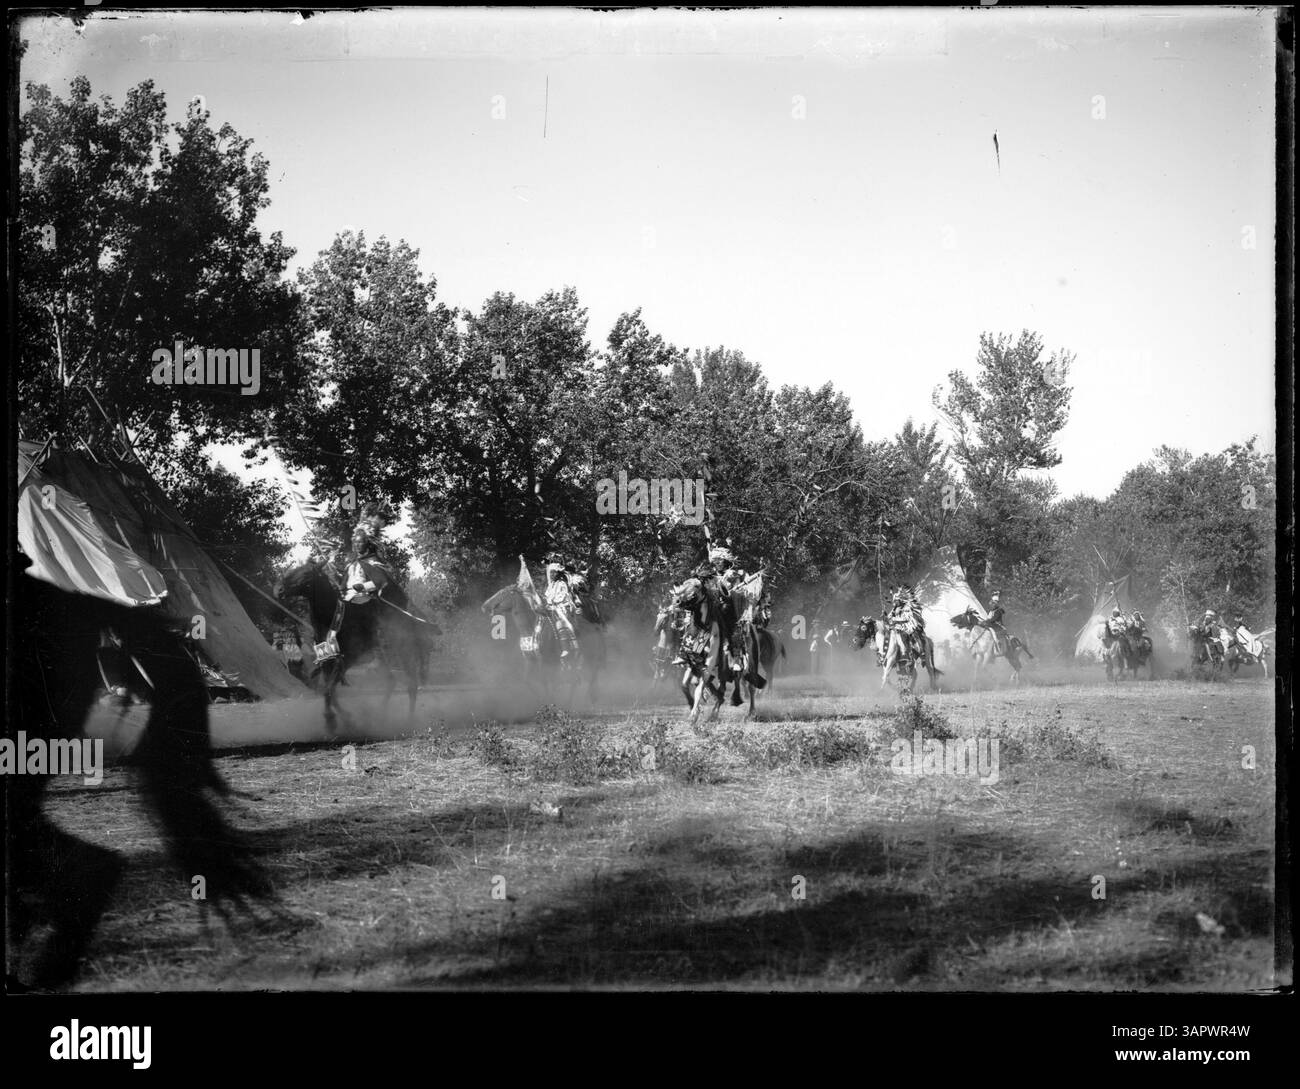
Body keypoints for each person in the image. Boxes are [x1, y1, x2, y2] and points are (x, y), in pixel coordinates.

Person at [543, 557, 580, 659]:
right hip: (552, 608)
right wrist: (546, 603)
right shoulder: (551, 585)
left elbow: (561, 598)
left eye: (553, 572)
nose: (551, 574)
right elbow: (547, 596)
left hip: (562, 608)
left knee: (560, 622)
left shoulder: (562, 584)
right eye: (550, 572)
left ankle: (566, 649)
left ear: (557, 573)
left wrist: (552, 605)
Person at [979, 590, 1010, 654]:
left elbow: (994, 619)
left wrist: (986, 621)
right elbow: (989, 619)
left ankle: (998, 644)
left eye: (993, 604)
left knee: (993, 632)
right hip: (992, 625)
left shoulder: (998, 611)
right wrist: (984, 622)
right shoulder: (991, 612)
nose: (991, 605)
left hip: (998, 626)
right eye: (991, 604)